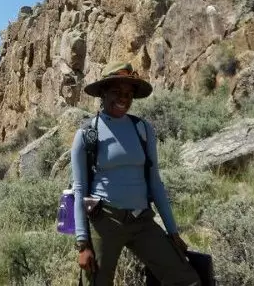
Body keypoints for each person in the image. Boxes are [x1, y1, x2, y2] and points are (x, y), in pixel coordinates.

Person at [71, 62, 200, 286]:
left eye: (129, 94)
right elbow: (80, 189)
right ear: (102, 93)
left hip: (142, 220)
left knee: (186, 279)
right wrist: (83, 244)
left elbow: (155, 183)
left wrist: (173, 231)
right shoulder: (86, 134)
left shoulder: (143, 129)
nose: (123, 98)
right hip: (104, 219)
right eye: (116, 92)